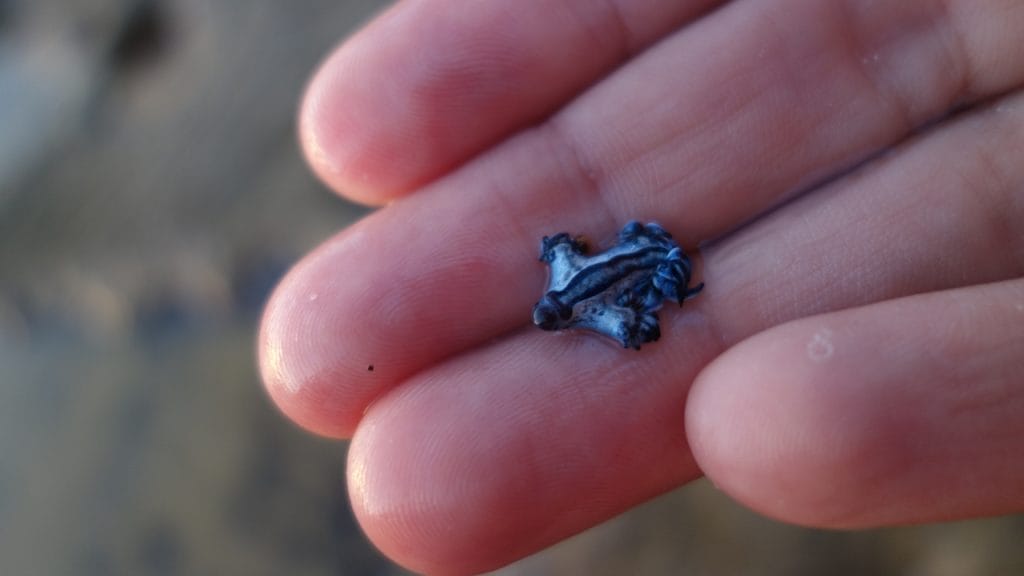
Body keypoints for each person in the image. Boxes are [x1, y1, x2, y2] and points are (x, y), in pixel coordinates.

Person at [258, 1, 1024, 573]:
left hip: (638, 257)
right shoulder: (574, 297)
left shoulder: (579, 297)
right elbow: (587, 278)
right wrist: (614, 300)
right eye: (552, 312)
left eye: (553, 311)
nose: (551, 309)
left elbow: (601, 292)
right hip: (633, 261)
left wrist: (631, 298)